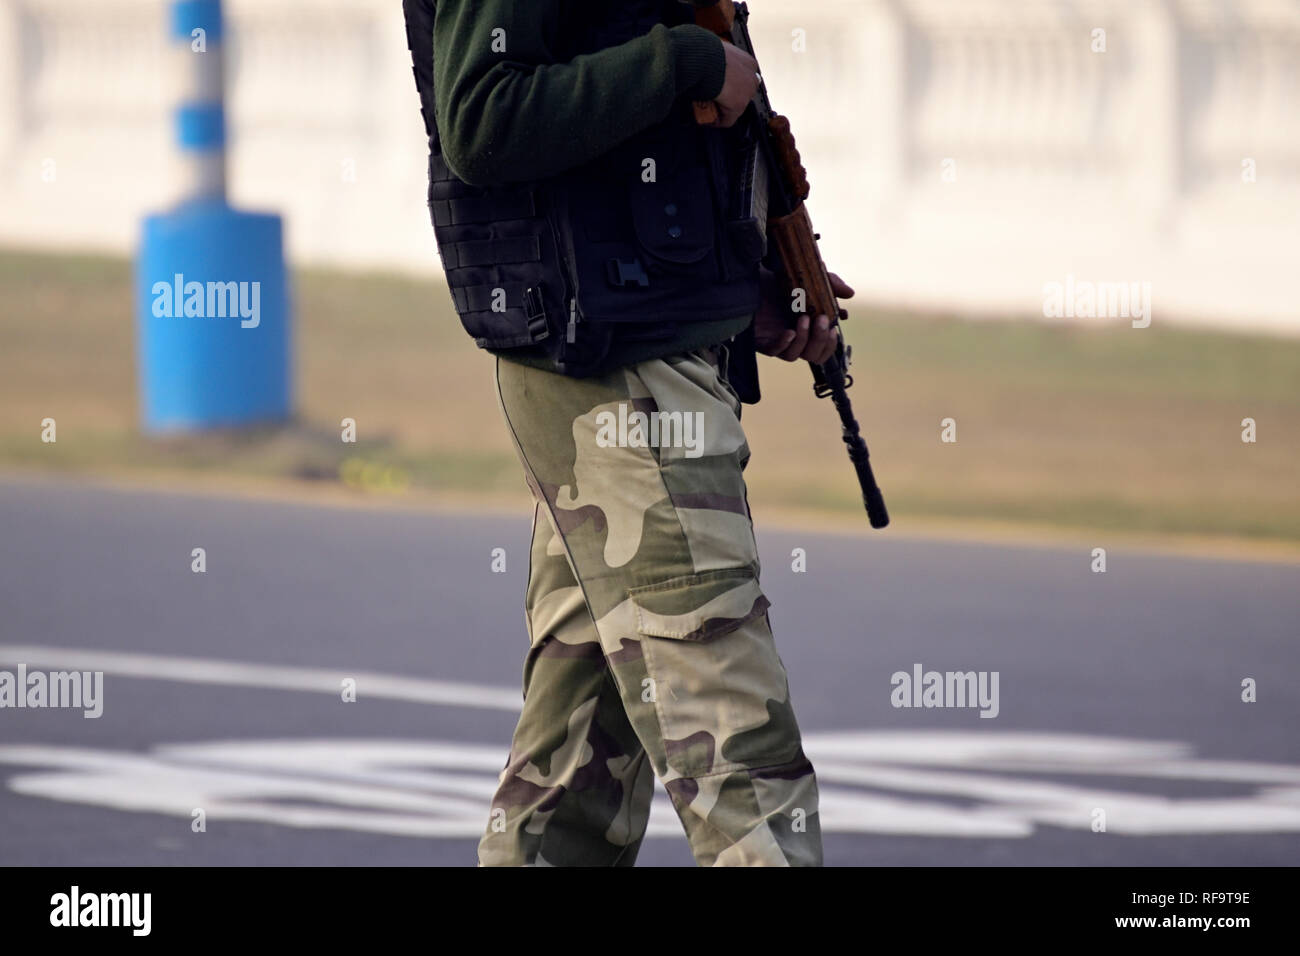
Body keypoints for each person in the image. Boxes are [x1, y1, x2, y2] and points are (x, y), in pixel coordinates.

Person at [404, 0, 854, 866]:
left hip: (639, 348)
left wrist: (735, 277)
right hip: (617, 376)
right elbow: (484, 116)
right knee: (742, 765)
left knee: (576, 775)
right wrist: (683, 62)